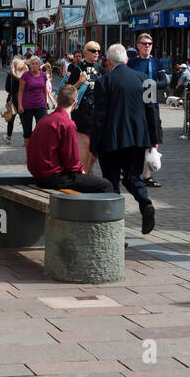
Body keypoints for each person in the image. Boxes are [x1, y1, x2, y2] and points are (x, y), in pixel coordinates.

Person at [90, 43, 159, 234]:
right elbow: (152, 112)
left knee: (111, 182)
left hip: (110, 141)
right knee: (132, 176)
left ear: (109, 62)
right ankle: (145, 203)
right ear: (127, 60)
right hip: (138, 139)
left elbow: (99, 116)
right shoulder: (146, 80)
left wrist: (94, 145)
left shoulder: (104, 82)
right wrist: (154, 139)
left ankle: (115, 229)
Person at [27, 85, 116, 193]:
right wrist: (82, 172)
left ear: (57, 99)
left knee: (90, 182)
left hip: (38, 175)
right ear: (75, 103)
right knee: (106, 185)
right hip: (53, 177)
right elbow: (71, 160)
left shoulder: (45, 119)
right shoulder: (67, 124)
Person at [128, 32, 166, 188]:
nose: (147, 46)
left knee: (153, 140)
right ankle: (131, 172)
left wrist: (150, 85)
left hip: (152, 105)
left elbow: (164, 82)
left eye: (149, 44)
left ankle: (148, 175)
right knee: (135, 140)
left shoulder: (156, 62)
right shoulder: (132, 63)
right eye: (144, 43)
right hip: (136, 106)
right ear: (138, 46)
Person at [68, 41, 103, 173]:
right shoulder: (77, 69)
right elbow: (67, 90)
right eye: (93, 51)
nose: (96, 54)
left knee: (95, 146)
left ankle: (88, 169)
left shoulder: (100, 69)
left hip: (97, 111)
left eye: (98, 51)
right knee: (87, 144)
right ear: (86, 52)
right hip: (82, 111)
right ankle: (83, 172)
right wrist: (79, 82)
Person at [17, 56, 50, 148]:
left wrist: (46, 104)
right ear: (30, 65)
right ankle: (28, 154)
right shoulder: (25, 76)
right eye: (32, 64)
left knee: (42, 128)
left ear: (39, 65)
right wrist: (20, 105)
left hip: (40, 105)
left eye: (36, 64)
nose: (34, 66)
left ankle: (38, 149)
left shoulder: (43, 75)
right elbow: (20, 91)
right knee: (27, 130)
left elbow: (45, 91)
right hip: (27, 106)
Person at [3, 57, 25, 144]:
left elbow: (7, 88)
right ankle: (26, 139)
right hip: (24, 99)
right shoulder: (25, 74)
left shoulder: (10, 74)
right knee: (24, 119)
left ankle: (8, 137)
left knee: (10, 119)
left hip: (13, 98)